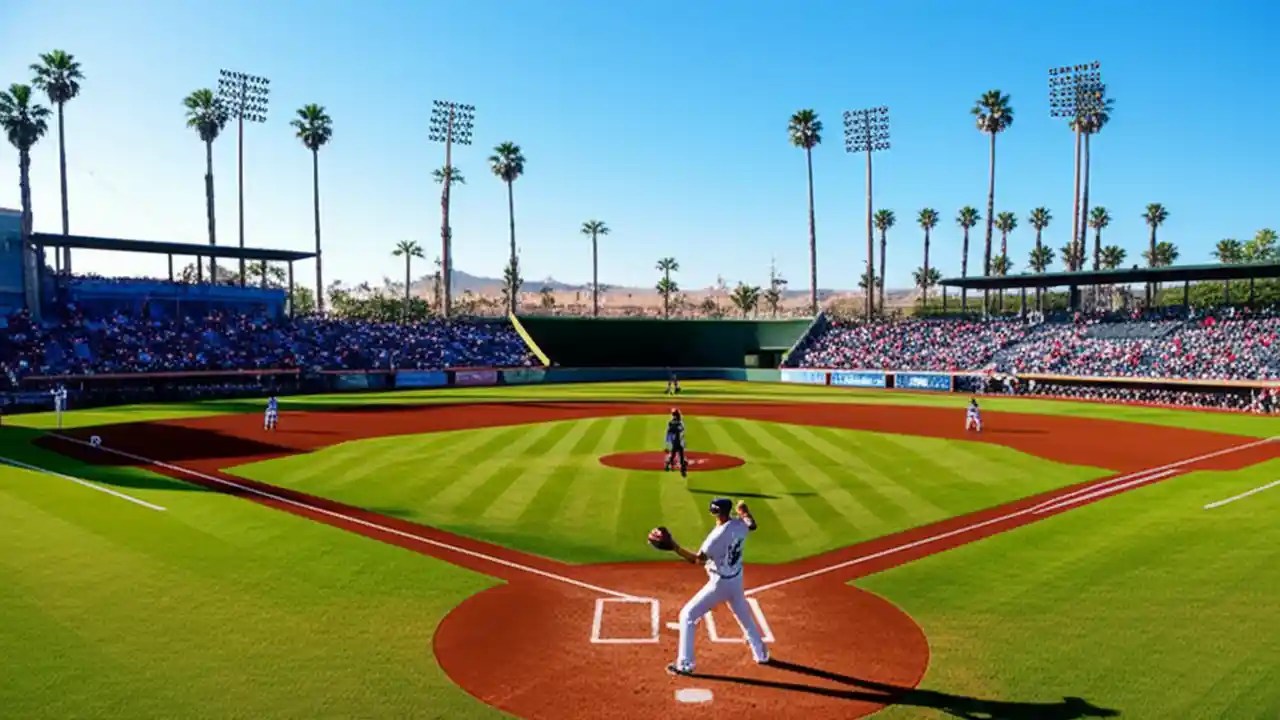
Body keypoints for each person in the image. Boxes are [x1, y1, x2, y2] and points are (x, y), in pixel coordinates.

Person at [665, 498, 769, 676]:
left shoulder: (715, 537)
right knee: (744, 615)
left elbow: (698, 560)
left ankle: (685, 664)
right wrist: (744, 511)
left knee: (687, 615)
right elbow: (752, 524)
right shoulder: (741, 524)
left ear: (714, 512)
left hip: (719, 584)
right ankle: (761, 654)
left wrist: (675, 547)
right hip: (736, 579)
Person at [664, 408, 688, 477]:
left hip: (674, 441)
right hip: (678, 442)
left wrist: (667, 443)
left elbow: (669, 433)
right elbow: (681, 431)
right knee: (680, 455)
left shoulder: (671, 422)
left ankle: (668, 465)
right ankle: (682, 469)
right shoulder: (679, 422)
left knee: (674, 455)